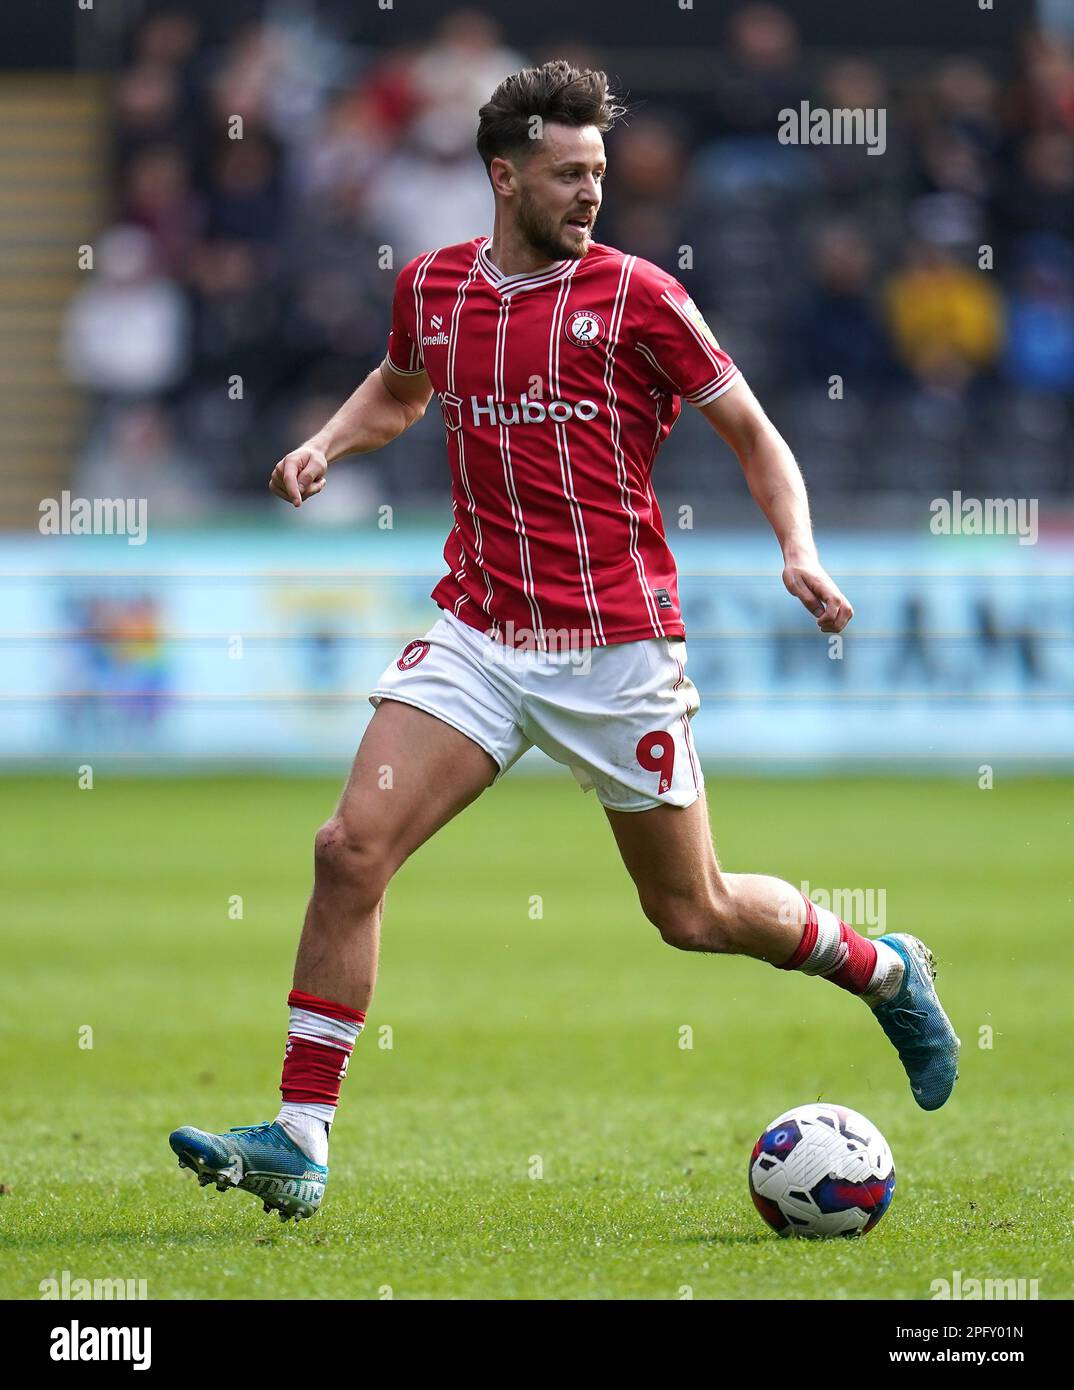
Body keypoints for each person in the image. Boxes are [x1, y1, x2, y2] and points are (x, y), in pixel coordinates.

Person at [170, 61, 959, 1223]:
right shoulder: (436, 287)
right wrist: (329, 443)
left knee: (690, 914)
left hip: (617, 649)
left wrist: (799, 547)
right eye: (569, 172)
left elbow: (753, 431)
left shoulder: (641, 297)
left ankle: (885, 967)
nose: (593, 192)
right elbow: (401, 390)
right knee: (349, 849)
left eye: (599, 172)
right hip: (480, 632)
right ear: (503, 175)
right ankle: (299, 1136)